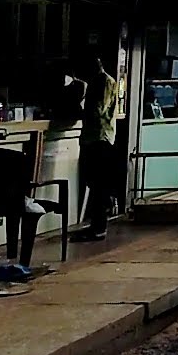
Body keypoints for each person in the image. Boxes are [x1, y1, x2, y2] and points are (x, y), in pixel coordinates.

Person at [73, 54, 118, 242]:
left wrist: (77, 105)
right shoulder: (95, 82)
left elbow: (97, 110)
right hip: (93, 138)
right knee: (94, 183)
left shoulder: (104, 82)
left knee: (98, 185)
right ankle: (97, 222)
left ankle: (99, 227)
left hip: (100, 138)